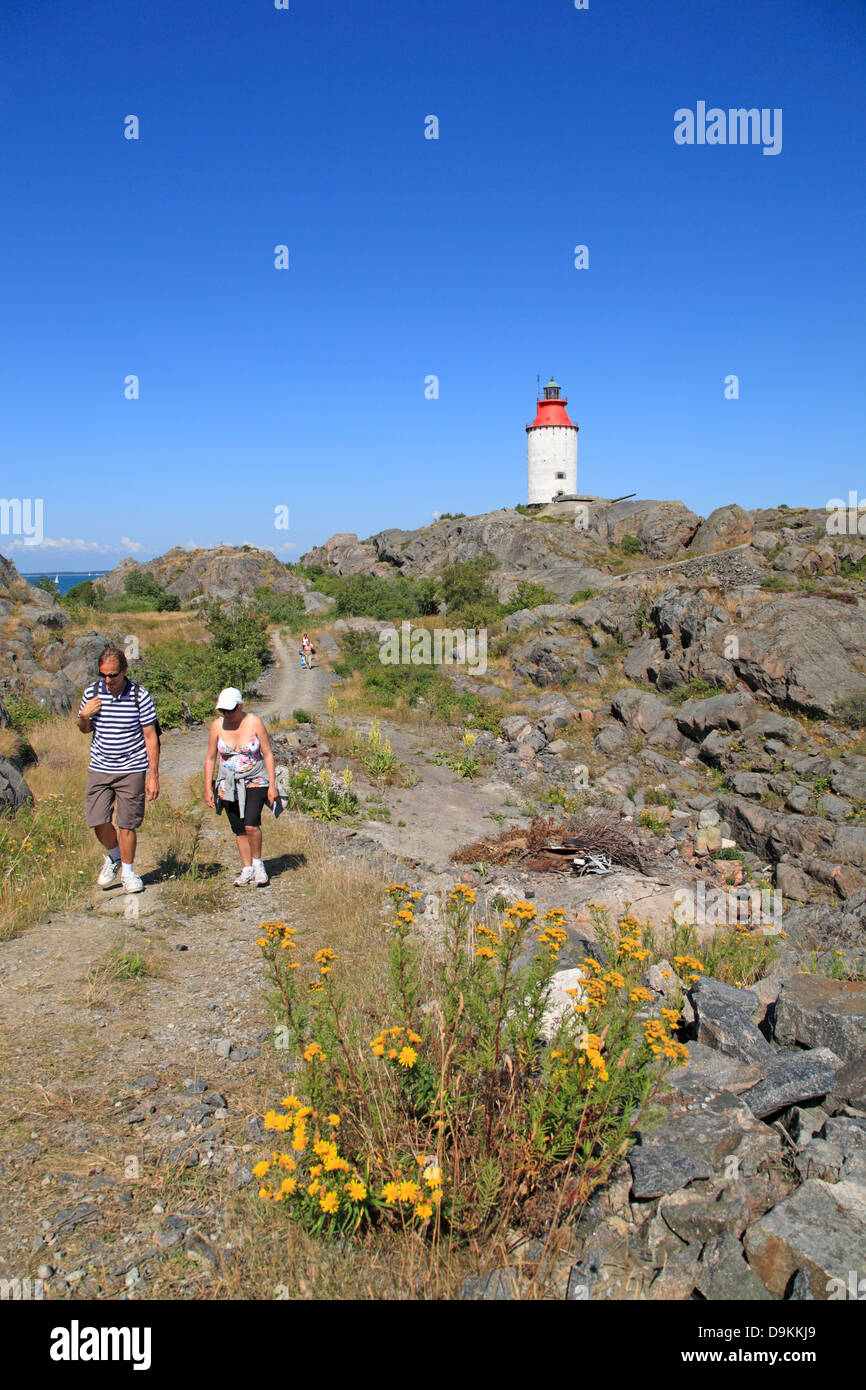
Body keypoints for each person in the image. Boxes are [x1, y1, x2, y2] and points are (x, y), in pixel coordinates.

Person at [76, 645, 159, 894]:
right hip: (100, 766)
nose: (108, 680)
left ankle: (130, 873)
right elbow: (84, 729)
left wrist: (153, 775)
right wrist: (83, 715)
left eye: (113, 675)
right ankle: (114, 856)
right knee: (97, 819)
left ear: (124, 671)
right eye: (104, 675)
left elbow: (150, 736)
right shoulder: (92, 693)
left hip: (131, 767)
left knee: (127, 824)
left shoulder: (139, 696)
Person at [204, 687, 277, 886]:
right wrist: (208, 788)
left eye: (231, 710)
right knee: (238, 828)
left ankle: (258, 865)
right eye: (224, 711)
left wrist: (272, 785)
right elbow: (210, 758)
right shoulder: (217, 726)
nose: (228, 715)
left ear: (240, 706)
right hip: (228, 782)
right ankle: (247, 868)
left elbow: (268, 753)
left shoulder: (254, 722)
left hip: (255, 778)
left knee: (251, 824)